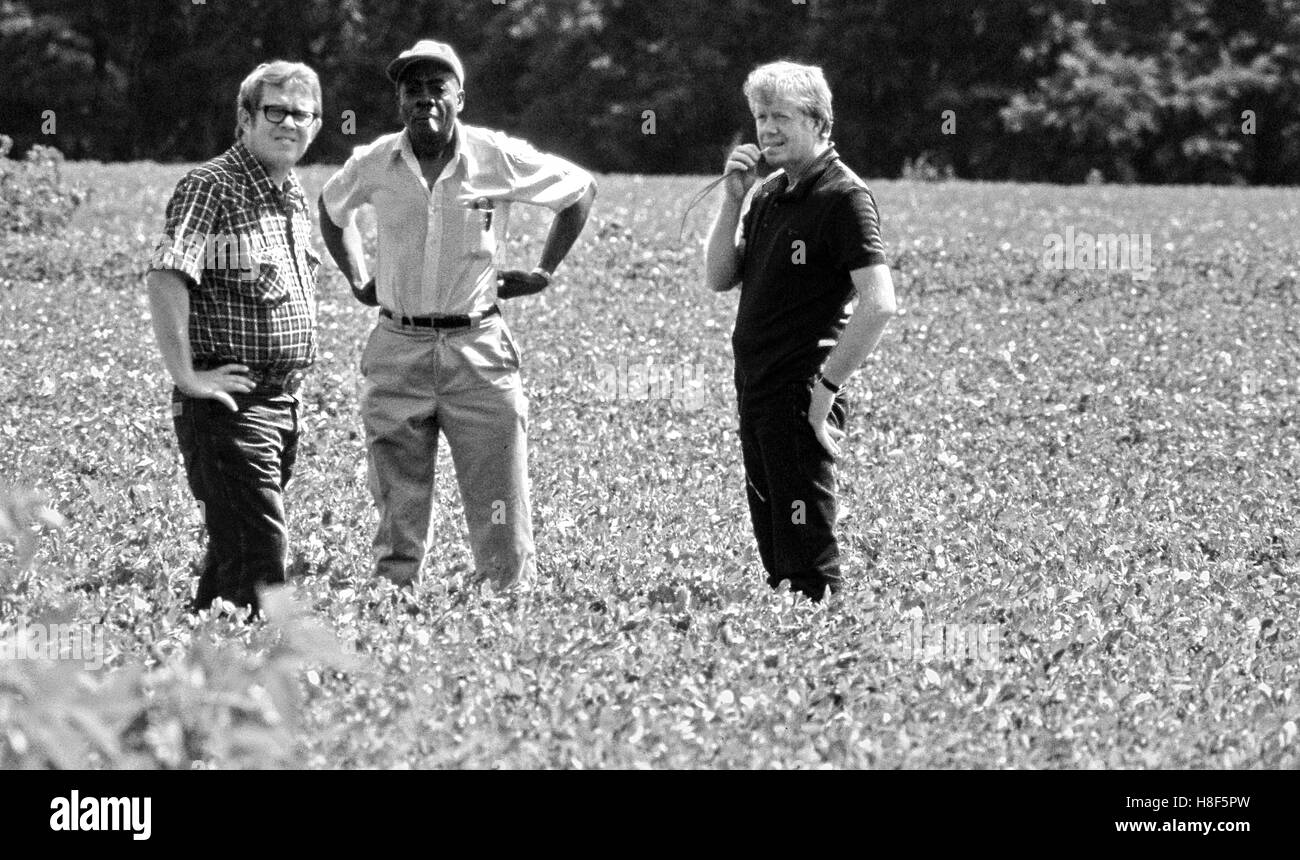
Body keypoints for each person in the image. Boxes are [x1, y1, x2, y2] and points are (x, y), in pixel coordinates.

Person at [319, 39, 596, 592]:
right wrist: (356, 278)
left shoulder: (497, 157)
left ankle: (505, 598)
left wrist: (544, 271)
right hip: (399, 344)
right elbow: (331, 210)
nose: (425, 99)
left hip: (479, 346)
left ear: (459, 98)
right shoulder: (375, 162)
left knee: (499, 492)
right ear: (399, 101)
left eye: (436, 88)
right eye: (412, 89)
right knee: (397, 493)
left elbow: (580, 191)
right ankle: (395, 599)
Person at [703, 61, 897, 603]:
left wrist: (825, 390)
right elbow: (720, 277)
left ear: (819, 121)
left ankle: (829, 665)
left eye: (782, 116)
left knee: (810, 565)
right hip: (757, 388)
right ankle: (794, 649)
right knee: (778, 557)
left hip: (799, 393)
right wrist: (731, 200)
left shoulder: (843, 197)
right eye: (761, 116)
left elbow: (879, 304)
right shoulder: (768, 193)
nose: (767, 129)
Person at [146, 61, 323, 614]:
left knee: (234, 553)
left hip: (280, 403)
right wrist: (187, 377)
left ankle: (192, 671)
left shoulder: (290, 192)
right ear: (245, 118)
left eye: (302, 113)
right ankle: (250, 681)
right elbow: (168, 273)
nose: (289, 124)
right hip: (229, 409)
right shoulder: (212, 186)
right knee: (260, 558)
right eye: (276, 111)